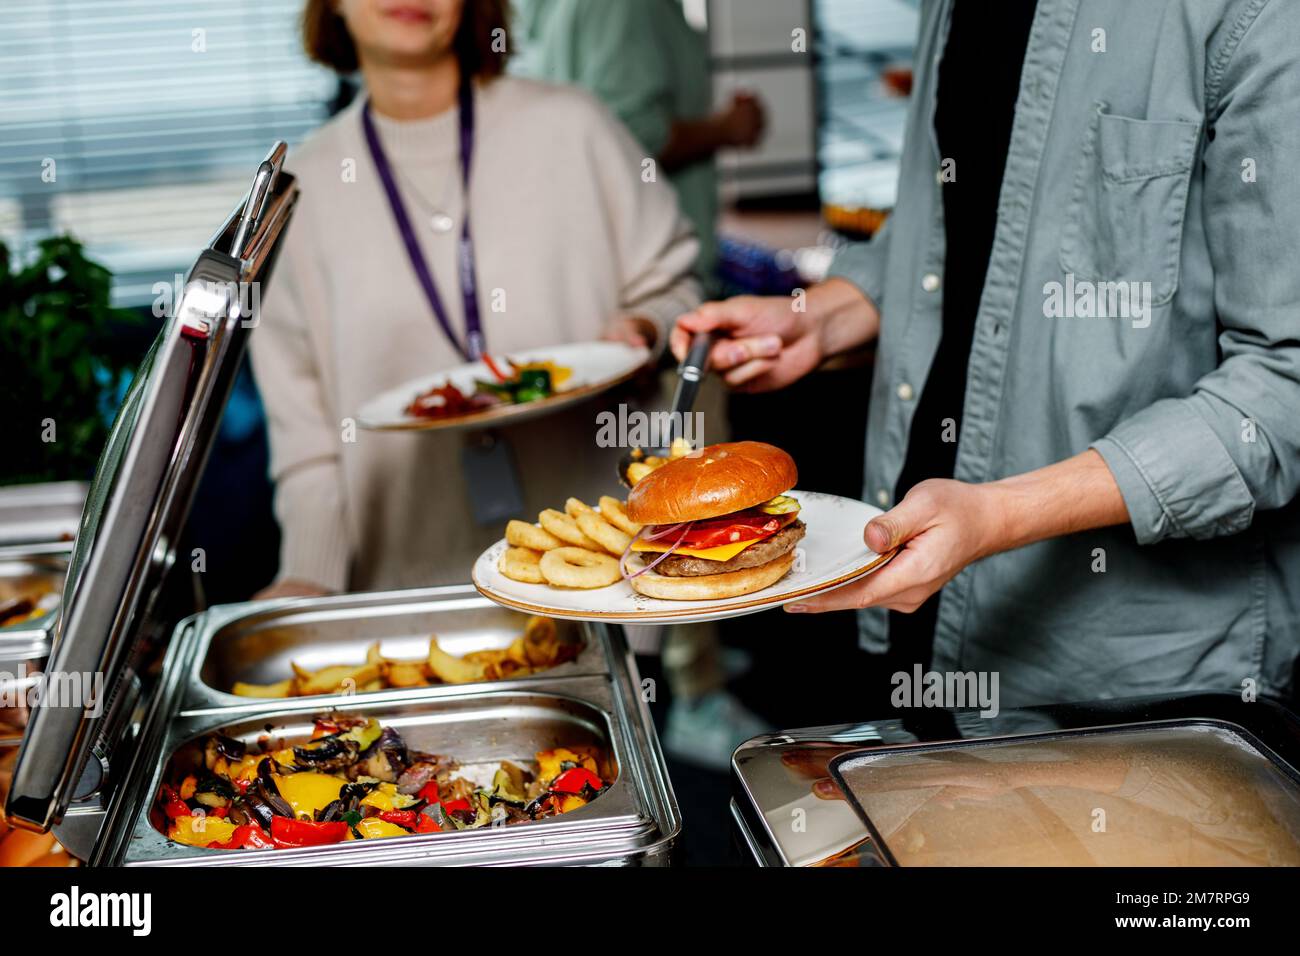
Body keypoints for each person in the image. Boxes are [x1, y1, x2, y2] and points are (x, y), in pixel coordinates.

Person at [672, 0, 1300, 708]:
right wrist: (823, 315)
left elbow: (1284, 387)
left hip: (1134, 668)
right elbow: (968, 231)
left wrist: (997, 517)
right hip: (920, 597)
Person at [251, 0, 700, 598]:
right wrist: (307, 577)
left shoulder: (574, 126)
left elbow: (678, 286)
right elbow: (306, 438)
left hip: (603, 576)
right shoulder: (298, 194)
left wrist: (646, 326)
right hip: (405, 594)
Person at [513, 0, 764, 287]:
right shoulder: (621, 7)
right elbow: (633, 140)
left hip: (594, 264)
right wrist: (726, 129)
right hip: (652, 276)